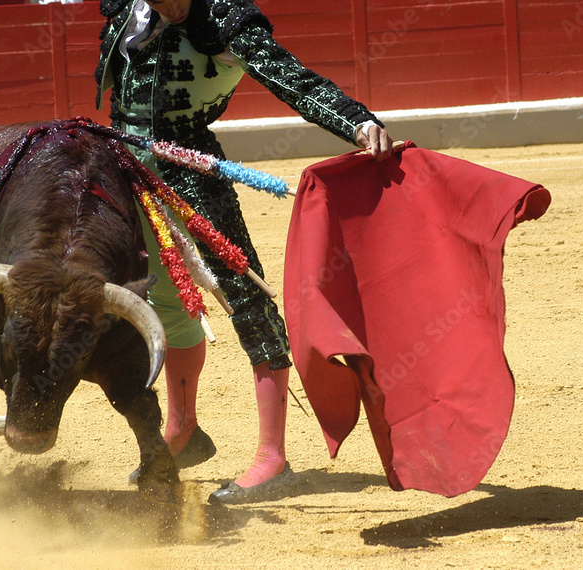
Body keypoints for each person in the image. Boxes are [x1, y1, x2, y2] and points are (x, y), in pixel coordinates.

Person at [94, 0, 393, 504]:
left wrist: (357, 123)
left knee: (246, 298)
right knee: (161, 299)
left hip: (192, 169)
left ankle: (273, 457)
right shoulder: (127, 11)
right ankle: (183, 429)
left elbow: (292, 79)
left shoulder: (224, 19)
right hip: (123, 168)